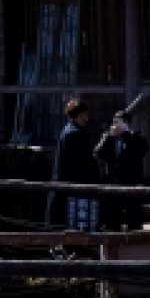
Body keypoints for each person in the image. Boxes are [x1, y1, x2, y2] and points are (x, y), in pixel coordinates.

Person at [95, 110, 150, 231]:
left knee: (134, 218)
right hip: (114, 184)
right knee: (112, 219)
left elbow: (143, 149)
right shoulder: (108, 137)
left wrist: (125, 134)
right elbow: (98, 153)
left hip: (132, 183)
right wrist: (109, 137)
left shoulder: (136, 138)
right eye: (113, 122)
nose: (114, 125)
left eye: (117, 122)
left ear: (126, 124)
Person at [53, 99, 101, 231]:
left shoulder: (67, 130)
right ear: (79, 115)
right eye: (85, 114)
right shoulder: (75, 134)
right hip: (78, 185)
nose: (87, 118)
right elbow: (83, 162)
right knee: (79, 221)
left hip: (69, 183)